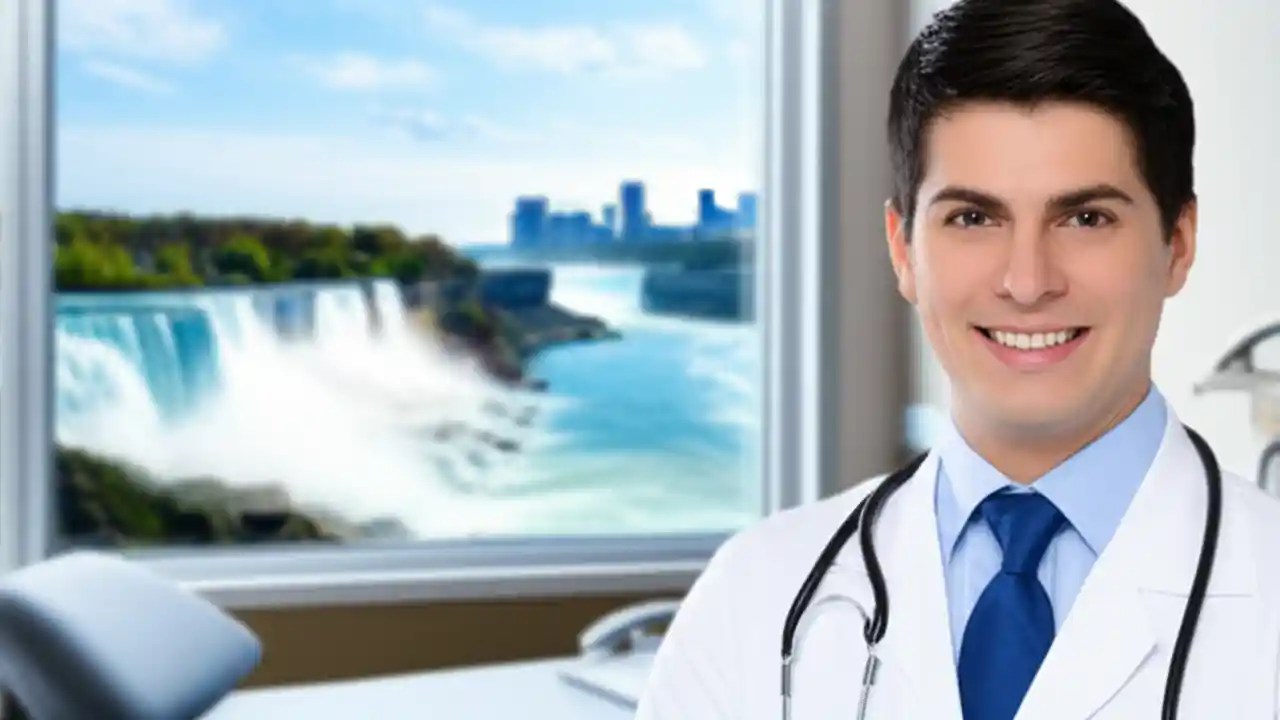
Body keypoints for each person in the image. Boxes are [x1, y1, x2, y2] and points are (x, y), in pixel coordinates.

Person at [634, 0, 1280, 718]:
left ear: (1178, 243)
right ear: (902, 249)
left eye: (1086, 218)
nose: (1028, 282)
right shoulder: (753, 598)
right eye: (973, 219)